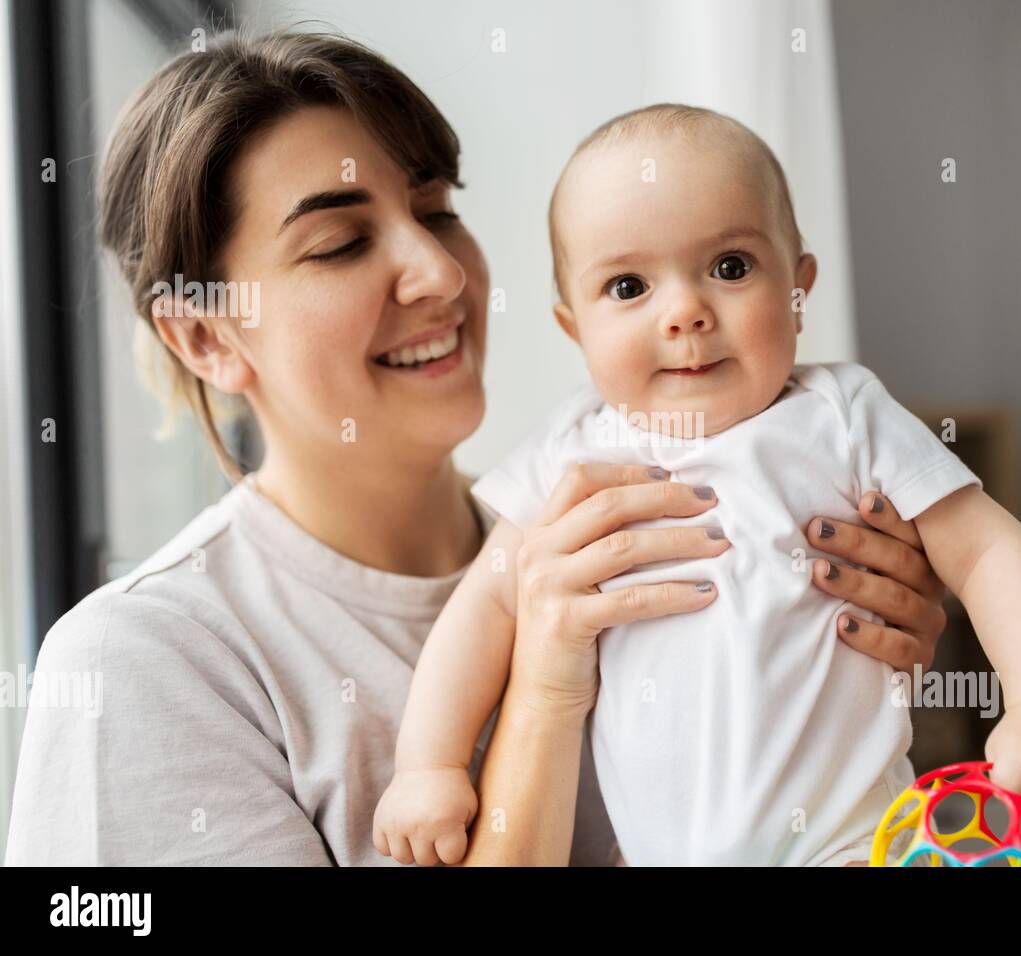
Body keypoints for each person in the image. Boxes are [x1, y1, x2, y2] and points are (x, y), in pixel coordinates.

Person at [3, 33, 952, 867]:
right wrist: (542, 690)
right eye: (340, 243)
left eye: (437, 210)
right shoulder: (147, 663)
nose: (440, 272)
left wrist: (846, 658)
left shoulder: (648, 515)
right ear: (207, 336)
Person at [375, 105, 1021, 866]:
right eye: (628, 285)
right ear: (575, 328)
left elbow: (989, 554)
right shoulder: (571, 450)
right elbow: (488, 605)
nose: (685, 313)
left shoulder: (844, 416)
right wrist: (429, 764)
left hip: (849, 845)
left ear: (799, 289)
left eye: (730, 268)